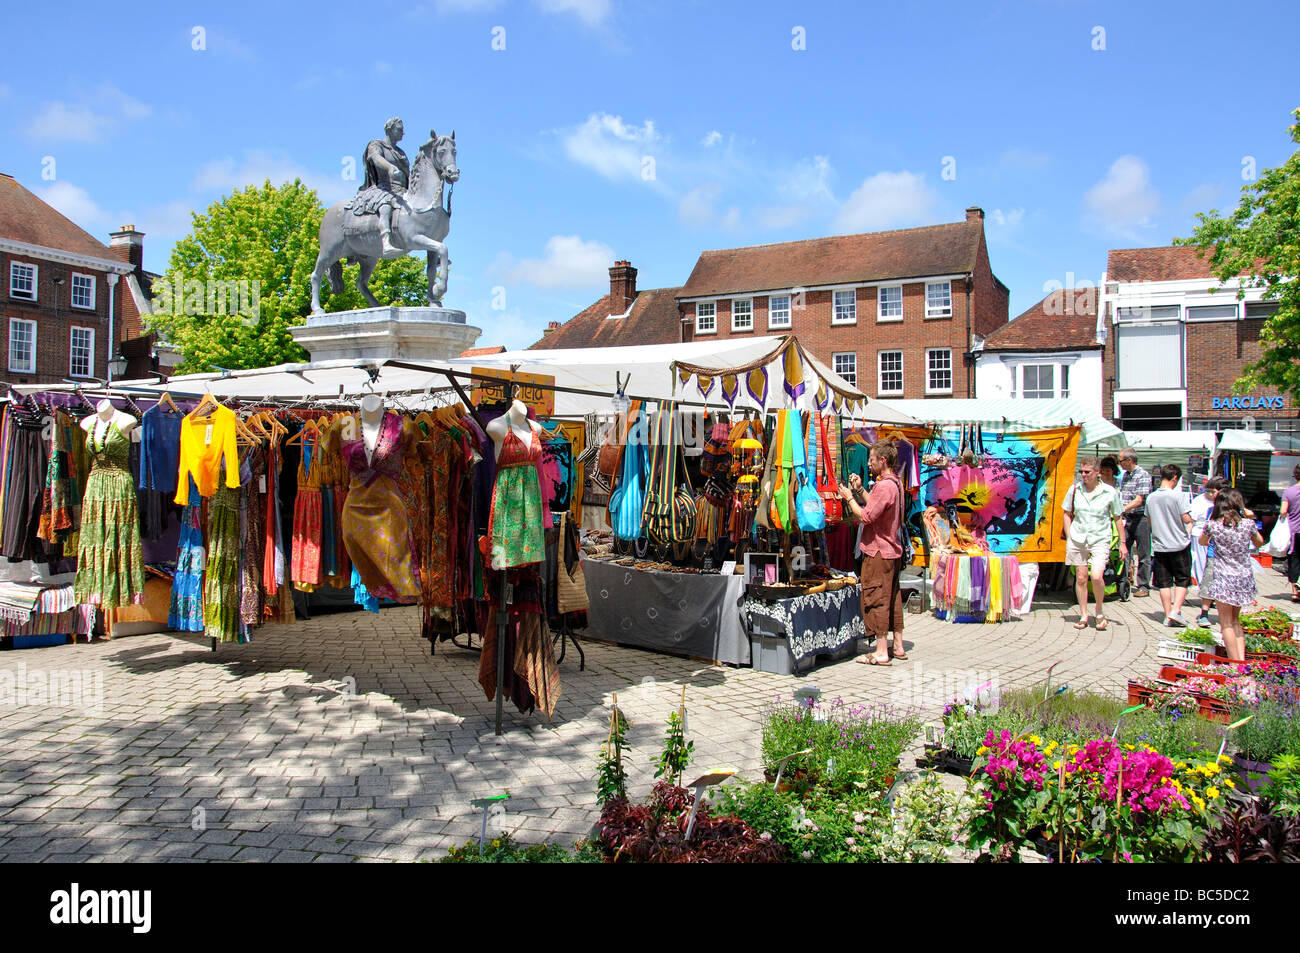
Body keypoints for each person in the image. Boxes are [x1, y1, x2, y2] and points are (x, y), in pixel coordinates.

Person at [839, 439, 906, 666]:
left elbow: (866, 516)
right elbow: (876, 508)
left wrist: (848, 497)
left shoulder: (885, 486)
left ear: (882, 460)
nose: (868, 464)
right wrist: (860, 490)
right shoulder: (894, 483)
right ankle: (897, 645)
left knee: (876, 598)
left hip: (879, 551)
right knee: (893, 597)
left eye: (871, 459)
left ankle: (880, 652)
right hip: (892, 551)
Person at [1199, 488, 1264, 661]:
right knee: (1236, 620)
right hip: (1243, 577)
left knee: (1225, 622)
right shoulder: (1247, 524)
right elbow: (1259, 542)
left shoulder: (1213, 525)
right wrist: (1248, 518)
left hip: (1222, 577)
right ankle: (1241, 660)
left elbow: (1202, 541)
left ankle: (1235, 663)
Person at [1062, 456, 1126, 630]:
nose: (1083, 475)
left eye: (1087, 472)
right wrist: (1069, 535)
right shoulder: (1075, 490)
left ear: (1097, 472)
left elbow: (1118, 517)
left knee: (1097, 576)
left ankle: (1099, 609)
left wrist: (1122, 542)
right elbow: (1066, 513)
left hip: (1100, 537)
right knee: (1081, 577)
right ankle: (1083, 613)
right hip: (1078, 537)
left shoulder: (1109, 492)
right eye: (1081, 471)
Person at [351, 117, 410, 257]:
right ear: (390, 129)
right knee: (385, 206)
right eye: (400, 130)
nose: (403, 133)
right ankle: (386, 242)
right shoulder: (377, 144)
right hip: (383, 188)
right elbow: (376, 158)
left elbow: (409, 173)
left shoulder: (401, 153)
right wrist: (389, 167)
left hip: (402, 191)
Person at [1147, 463, 1195, 627]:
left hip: (1160, 545)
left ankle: (1167, 615)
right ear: (1175, 478)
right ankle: (1176, 611)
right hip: (1179, 544)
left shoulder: (1151, 497)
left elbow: (1149, 521)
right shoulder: (1178, 496)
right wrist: (1191, 522)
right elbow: (1186, 518)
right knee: (1182, 579)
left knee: (1164, 582)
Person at [1190, 476, 1227, 626]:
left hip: (1227, 555)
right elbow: (1204, 536)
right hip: (1213, 550)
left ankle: (1221, 612)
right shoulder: (1210, 508)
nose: (1211, 494)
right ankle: (1205, 612)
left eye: (1213, 491)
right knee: (1207, 578)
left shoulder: (1232, 508)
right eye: (1209, 491)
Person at [1118, 447, 1153, 597]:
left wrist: (1121, 509)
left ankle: (1143, 585)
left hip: (1140, 518)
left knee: (1143, 552)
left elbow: (1139, 500)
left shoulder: (1143, 475)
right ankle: (1124, 581)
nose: (1120, 464)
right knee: (1124, 549)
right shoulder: (1126, 475)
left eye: (1121, 461)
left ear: (1129, 460)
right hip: (1126, 518)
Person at [1279, 464, 1300, 603]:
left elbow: (1283, 511)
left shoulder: (1289, 492)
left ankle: (1295, 593)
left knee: (1295, 560)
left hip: (1295, 532)